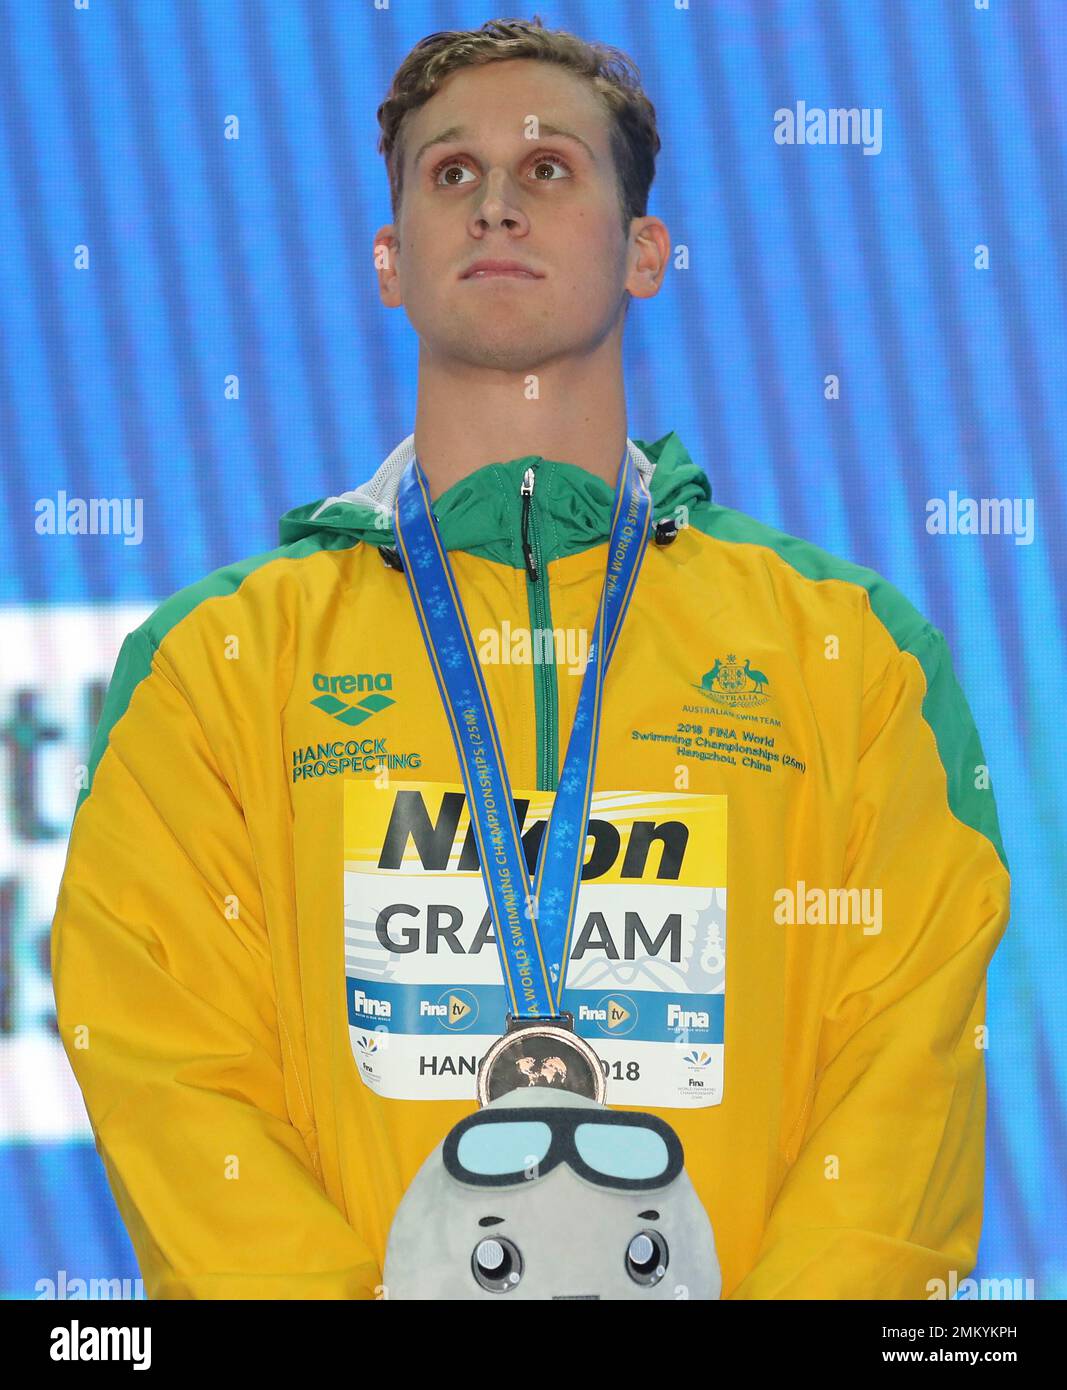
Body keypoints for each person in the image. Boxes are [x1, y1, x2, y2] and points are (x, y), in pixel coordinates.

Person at [50, 16, 1010, 1300]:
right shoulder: (218, 664)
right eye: (452, 174)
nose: (496, 201)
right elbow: (168, 1062)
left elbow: (903, 1069)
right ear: (389, 261)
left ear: (645, 252)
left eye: (549, 168)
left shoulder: (846, 651)